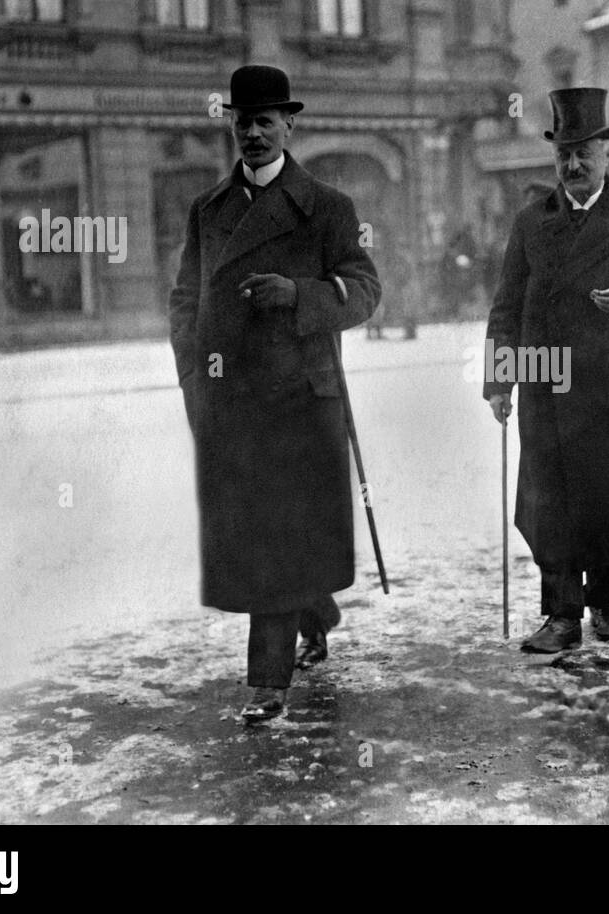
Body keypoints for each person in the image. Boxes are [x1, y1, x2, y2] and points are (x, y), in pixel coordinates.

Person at [169, 65, 381, 723]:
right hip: (230, 398)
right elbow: (183, 298)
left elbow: (367, 291)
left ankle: (268, 682)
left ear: (290, 124)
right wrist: (190, 375)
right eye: (243, 121)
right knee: (267, 534)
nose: (253, 133)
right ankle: (314, 611)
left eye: (266, 121)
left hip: (300, 400)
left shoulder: (326, 206)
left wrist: (303, 297)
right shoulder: (208, 211)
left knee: (279, 534)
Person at [483, 87, 609, 652]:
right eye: (563, 155)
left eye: (583, 154)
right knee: (553, 499)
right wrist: (499, 379)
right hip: (547, 382)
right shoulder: (530, 222)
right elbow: (506, 303)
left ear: (607, 153)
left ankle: (606, 600)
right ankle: (562, 614)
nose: (572, 165)